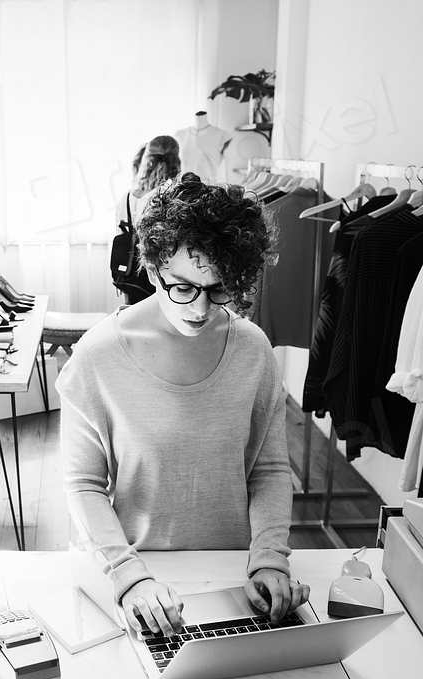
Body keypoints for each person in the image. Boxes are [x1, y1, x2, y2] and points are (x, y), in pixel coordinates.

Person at [60, 172, 306, 639]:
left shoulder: (252, 350)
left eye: (218, 290)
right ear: (153, 269)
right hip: (138, 577)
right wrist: (128, 576)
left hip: (237, 577)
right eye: (183, 287)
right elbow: (83, 484)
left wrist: (270, 559)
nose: (199, 308)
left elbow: (270, 470)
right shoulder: (97, 357)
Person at [112, 135, 181, 304]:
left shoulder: (127, 197)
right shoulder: (169, 195)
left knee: (134, 319)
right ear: (176, 161)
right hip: (158, 275)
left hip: (129, 273)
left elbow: (120, 234)